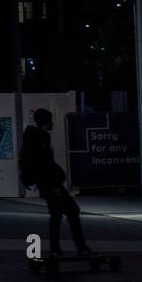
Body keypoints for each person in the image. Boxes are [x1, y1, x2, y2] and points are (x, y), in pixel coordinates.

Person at [19, 108, 93, 257]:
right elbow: (43, 164)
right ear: (46, 122)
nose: (52, 123)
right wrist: (54, 185)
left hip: (47, 184)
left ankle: (57, 249)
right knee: (72, 210)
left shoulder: (34, 137)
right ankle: (80, 247)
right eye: (50, 120)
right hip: (51, 184)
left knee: (57, 214)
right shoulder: (39, 139)